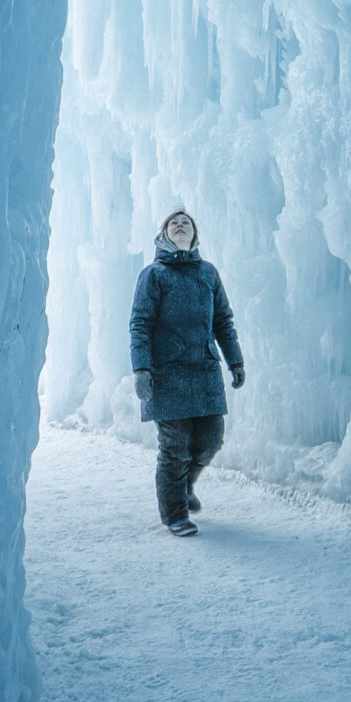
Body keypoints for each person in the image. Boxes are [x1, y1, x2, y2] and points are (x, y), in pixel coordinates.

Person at [128, 208, 245, 534]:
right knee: (175, 447)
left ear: (194, 235)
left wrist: (235, 360)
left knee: (210, 440)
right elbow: (140, 324)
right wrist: (141, 368)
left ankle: (184, 485)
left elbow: (223, 321)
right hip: (167, 375)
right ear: (164, 236)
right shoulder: (153, 275)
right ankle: (175, 514)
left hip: (205, 373)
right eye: (173, 223)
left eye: (186, 223)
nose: (180, 225)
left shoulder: (208, 273)